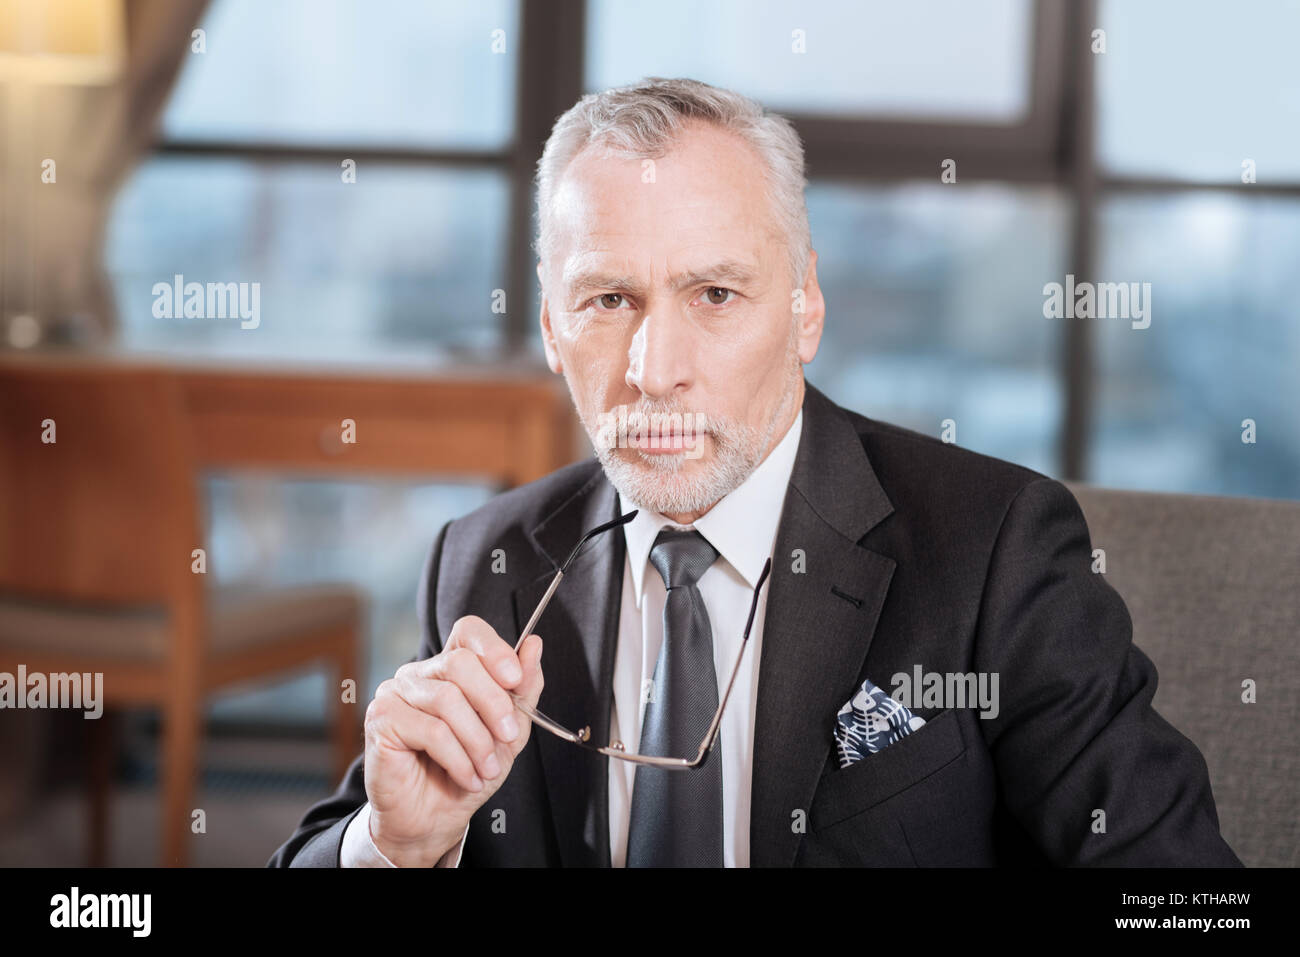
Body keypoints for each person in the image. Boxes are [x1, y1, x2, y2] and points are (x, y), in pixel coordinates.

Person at [269, 77, 1241, 868]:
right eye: (608, 298)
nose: (655, 370)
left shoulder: (994, 547)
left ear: (806, 306)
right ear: (552, 331)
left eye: (715, 294)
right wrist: (392, 847)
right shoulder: (485, 558)